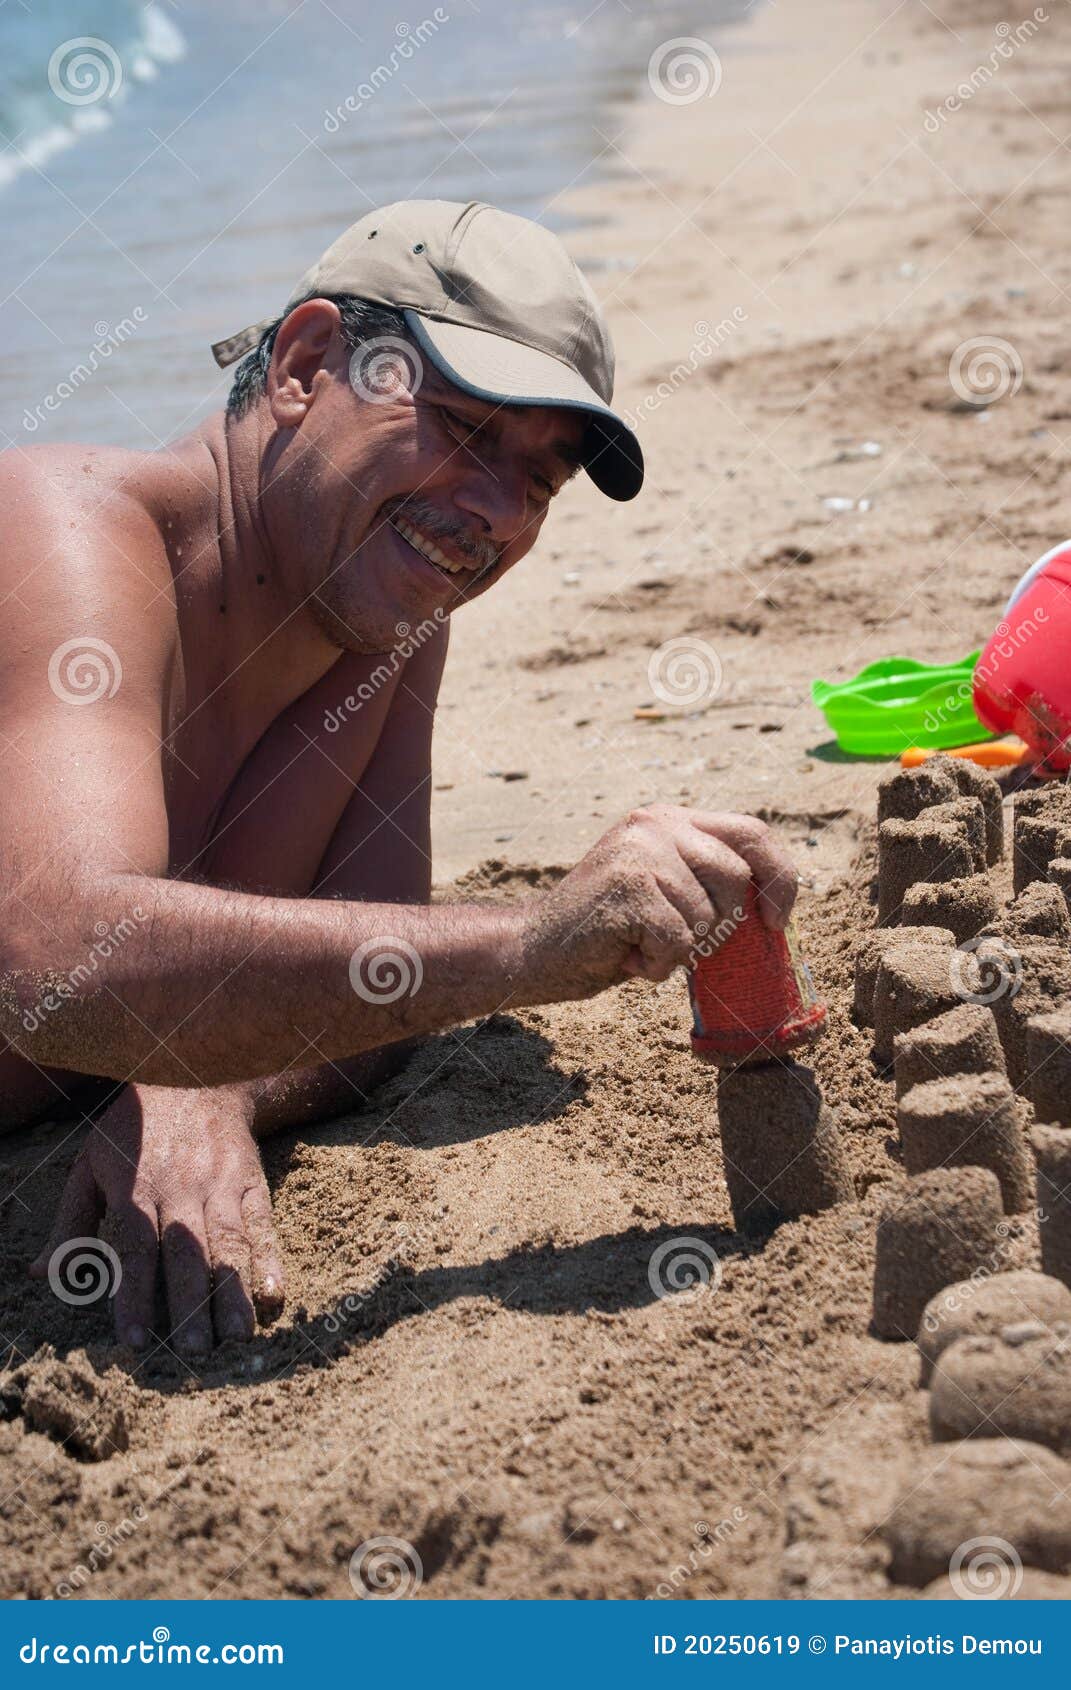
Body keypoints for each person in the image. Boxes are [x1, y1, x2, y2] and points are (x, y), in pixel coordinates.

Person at [0, 199, 798, 1354]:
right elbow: (60, 962)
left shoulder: (387, 625)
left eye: (540, 478)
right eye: (465, 430)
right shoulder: (59, 525)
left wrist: (206, 1082)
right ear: (308, 362)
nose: (493, 512)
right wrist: (527, 947)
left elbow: (370, 999)